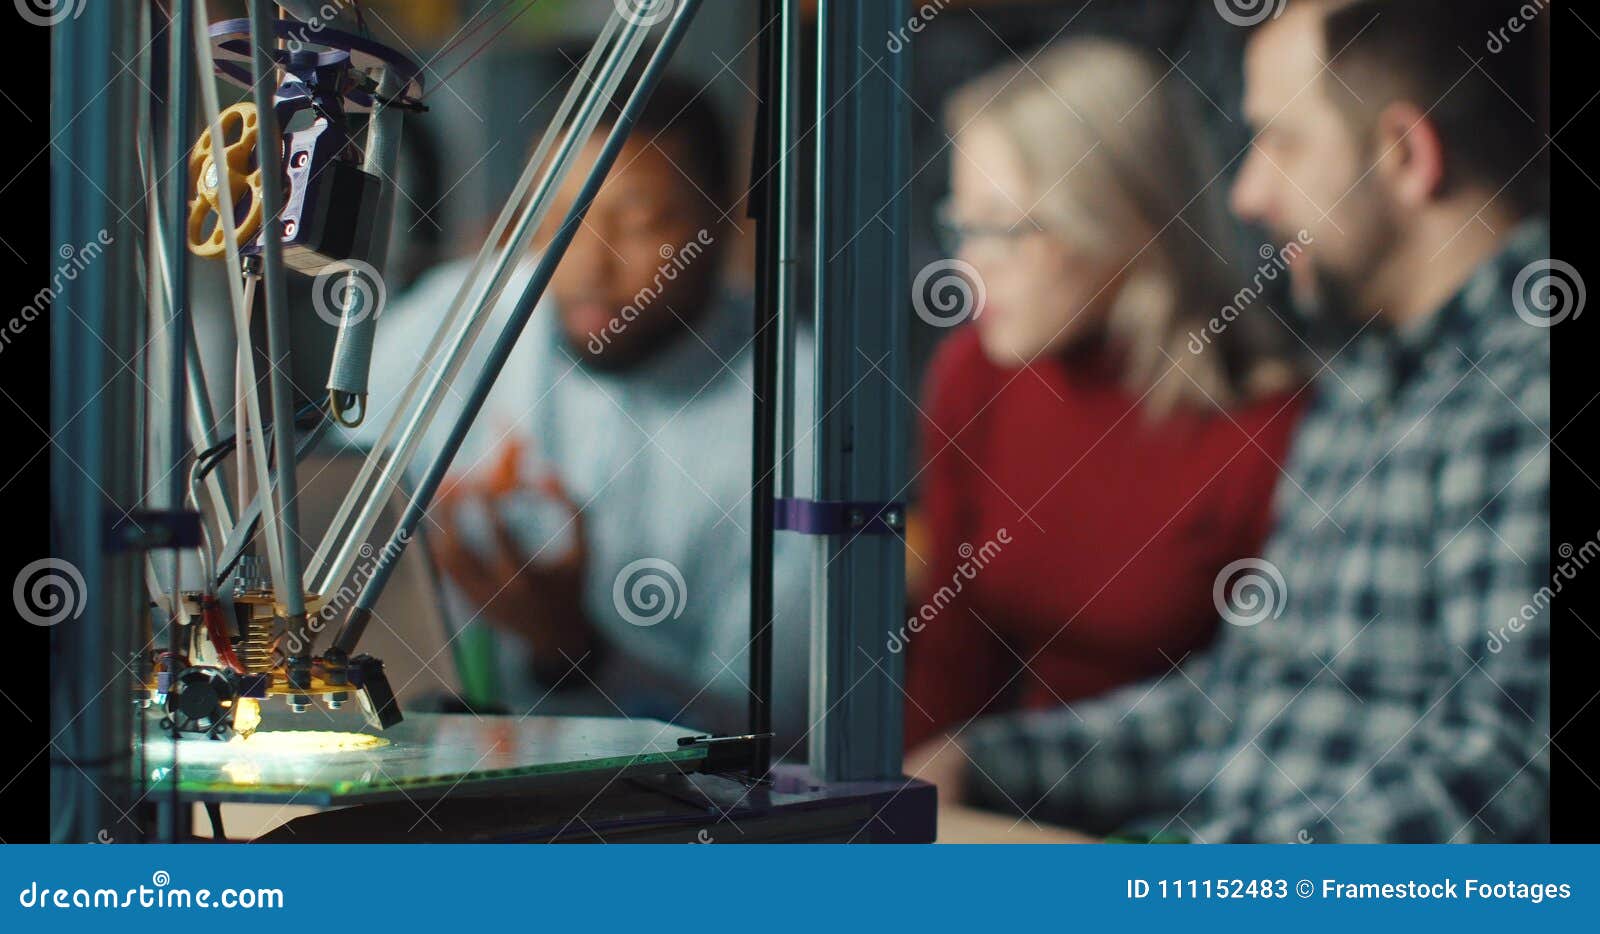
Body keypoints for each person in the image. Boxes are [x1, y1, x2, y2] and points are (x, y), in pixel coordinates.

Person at [912, 0, 1551, 843]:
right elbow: (1237, 705)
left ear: (1405, 155)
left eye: (1281, 141)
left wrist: (1179, 879)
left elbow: (1512, 777)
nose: (1245, 193)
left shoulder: (1522, 390)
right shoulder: (1364, 382)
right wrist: (988, 765)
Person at [357, 72, 815, 743]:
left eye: (635, 222)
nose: (586, 263)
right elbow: (324, 513)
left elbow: (773, 730)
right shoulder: (449, 327)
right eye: (557, 216)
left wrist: (577, 655)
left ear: (723, 221)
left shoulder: (796, 409)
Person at [904, 38, 1305, 750]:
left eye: (1007, 230)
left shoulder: (1267, 426)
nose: (968, 267)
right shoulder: (976, 373)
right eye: (961, 226)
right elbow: (949, 657)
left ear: (1124, 223)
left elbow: (1263, 719)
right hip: (996, 801)